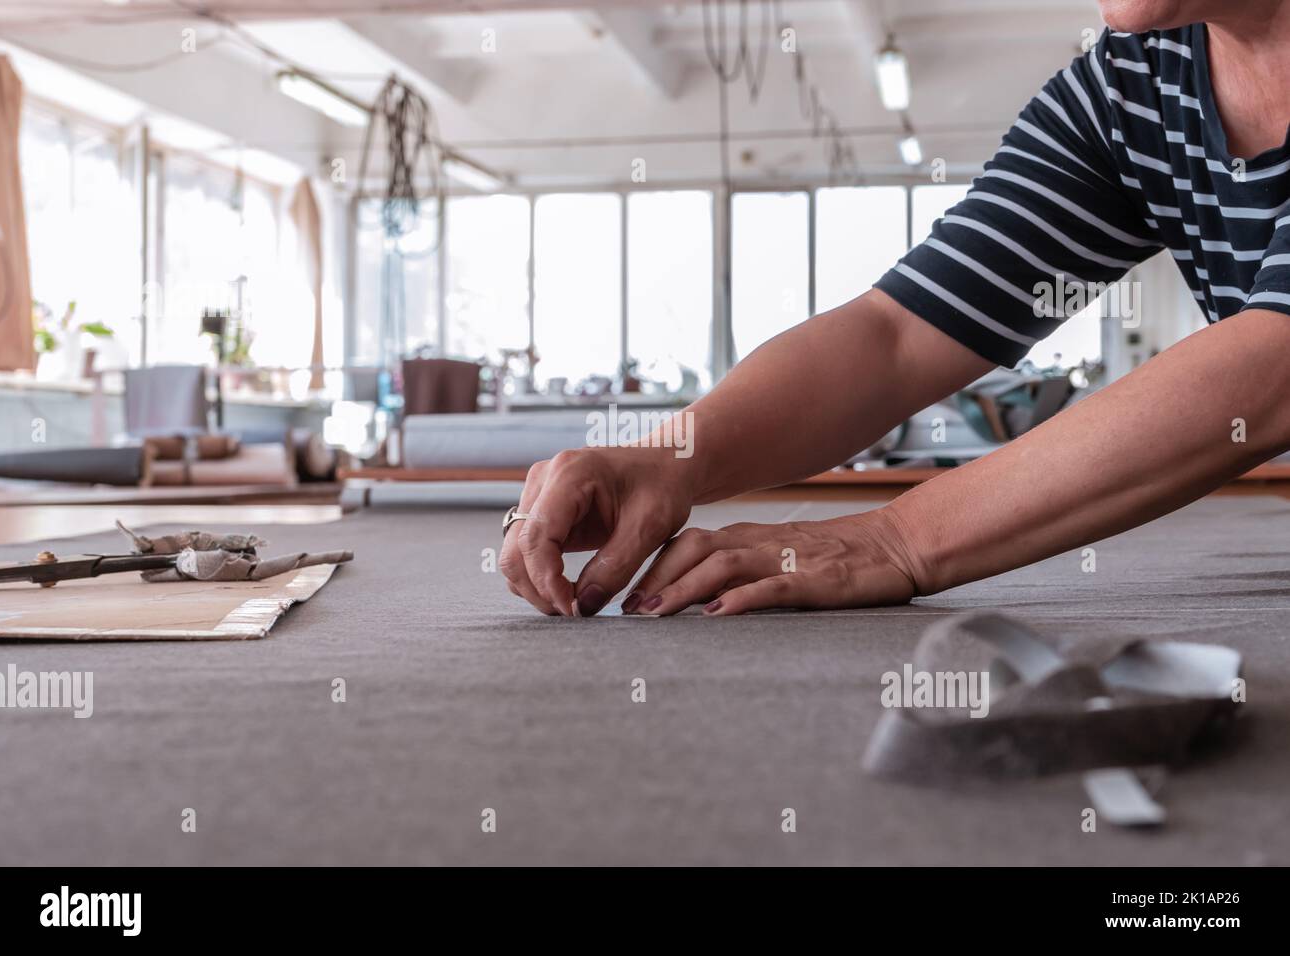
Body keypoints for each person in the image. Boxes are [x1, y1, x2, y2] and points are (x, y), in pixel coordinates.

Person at [500, 0, 1290, 617]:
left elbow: (1275, 361)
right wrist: (670, 456)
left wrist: (896, 539)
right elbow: (902, 332)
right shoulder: (1133, 88)